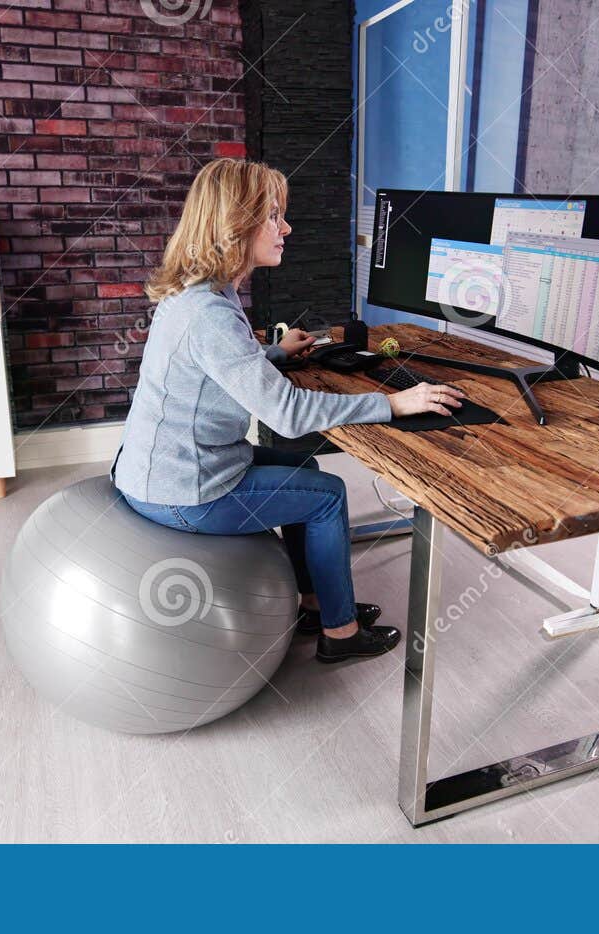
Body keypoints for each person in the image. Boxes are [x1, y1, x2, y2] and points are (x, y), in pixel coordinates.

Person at [112, 158, 465, 663]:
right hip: (183, 490)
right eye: (273, 216)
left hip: (165, 467)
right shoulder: (210, 313)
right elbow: (289, 415)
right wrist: (394, 403)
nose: (286, 228)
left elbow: (217, 369)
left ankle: (316, 604)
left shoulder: (201, 293)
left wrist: (275, 354)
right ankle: (339, 636)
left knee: (306, 469)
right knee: (326, 494)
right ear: (236, 223)